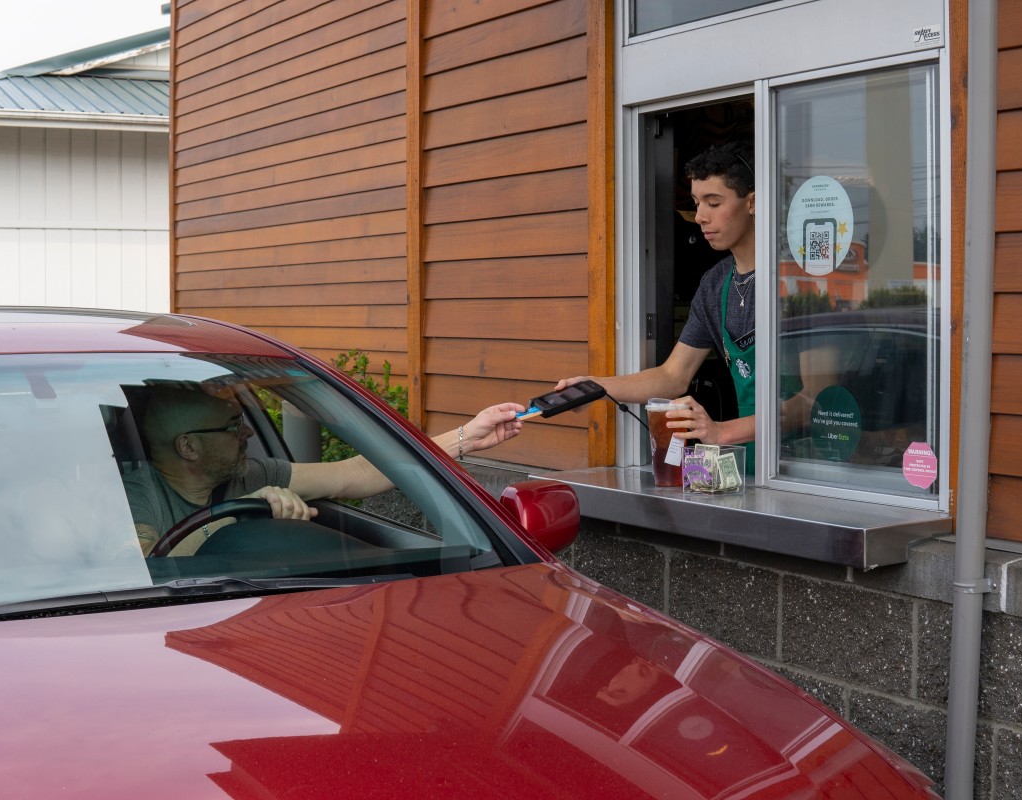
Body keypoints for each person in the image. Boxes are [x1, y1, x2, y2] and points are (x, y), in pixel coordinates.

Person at [124, 385, 524, 554]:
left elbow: (358, 473)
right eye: (231, 426)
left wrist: (467, 437)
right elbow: (147, 569)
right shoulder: (133, 495)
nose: (247, 431)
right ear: (188, 446)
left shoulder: (250, 473)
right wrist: (238, 514)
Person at [555, 141, 757, 466]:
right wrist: (595, 386)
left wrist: (722, 432)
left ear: (752, 202)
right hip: (748, 458)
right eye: (696, 202)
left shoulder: (791, 279)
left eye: (714, 202)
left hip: (809, 463)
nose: (700, 216)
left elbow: (809, 403)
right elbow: (672, 375)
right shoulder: (714, 284)